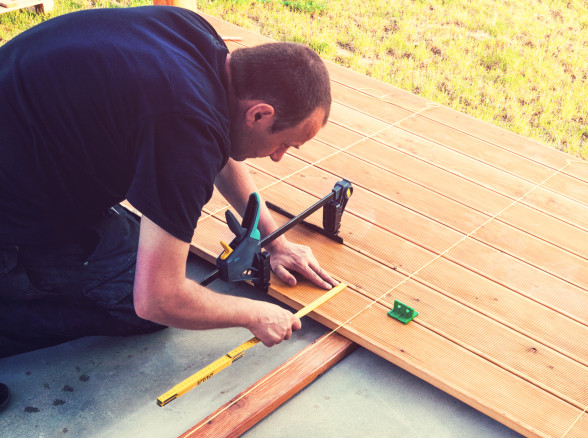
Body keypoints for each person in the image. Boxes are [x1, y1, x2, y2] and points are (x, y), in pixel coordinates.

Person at [0, 5, 337, 370]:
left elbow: (218, 144)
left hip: (23, 149)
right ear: (258, 114)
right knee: (145, 307)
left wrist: (276, 241)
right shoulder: (184, 127)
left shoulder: (197, 40)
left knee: (138, 252)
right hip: (13, 215)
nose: (278, 157)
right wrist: (254, 314)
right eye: (284, 144)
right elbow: (158, 298)